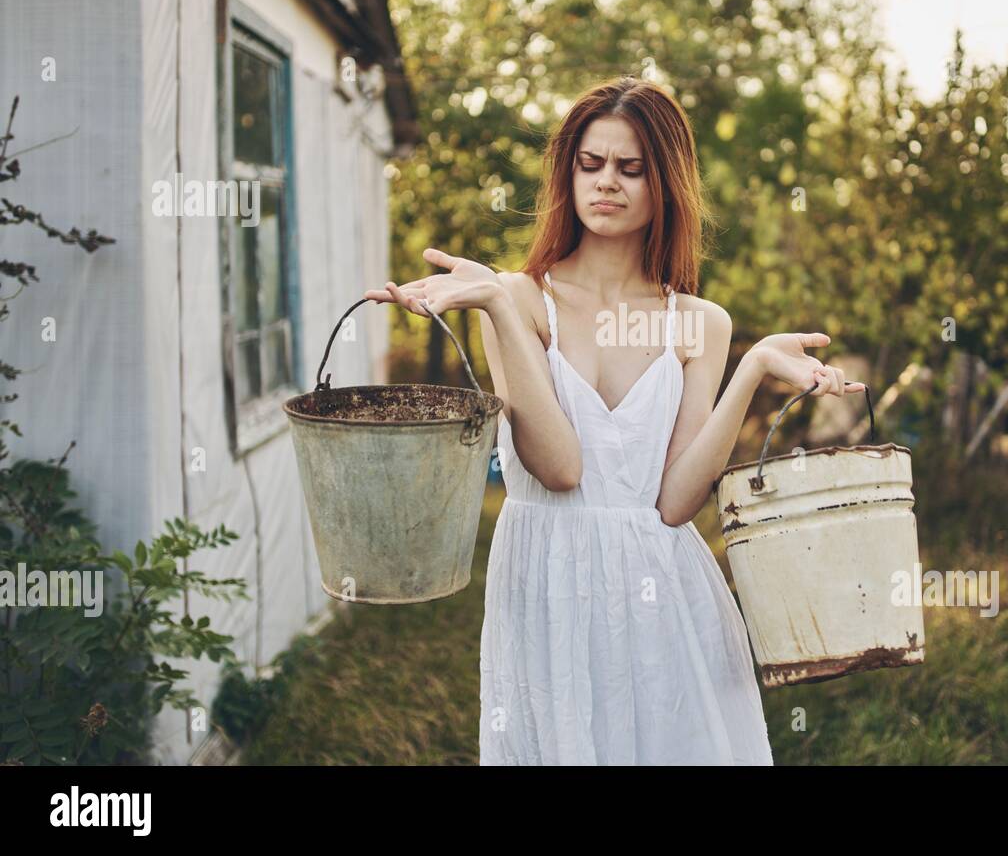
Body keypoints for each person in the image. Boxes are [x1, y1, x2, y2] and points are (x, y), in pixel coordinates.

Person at [365, 76, 865, 765]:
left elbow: (674, 503)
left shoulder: (699, 323)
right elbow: (559, 466)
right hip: (546, 582)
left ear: (666, 183)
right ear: (568, 172)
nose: (607, 183)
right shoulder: (518, 299)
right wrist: (497, 307)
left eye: (631, 168)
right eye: (590, 164)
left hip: (663, 595)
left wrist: (749, 372)